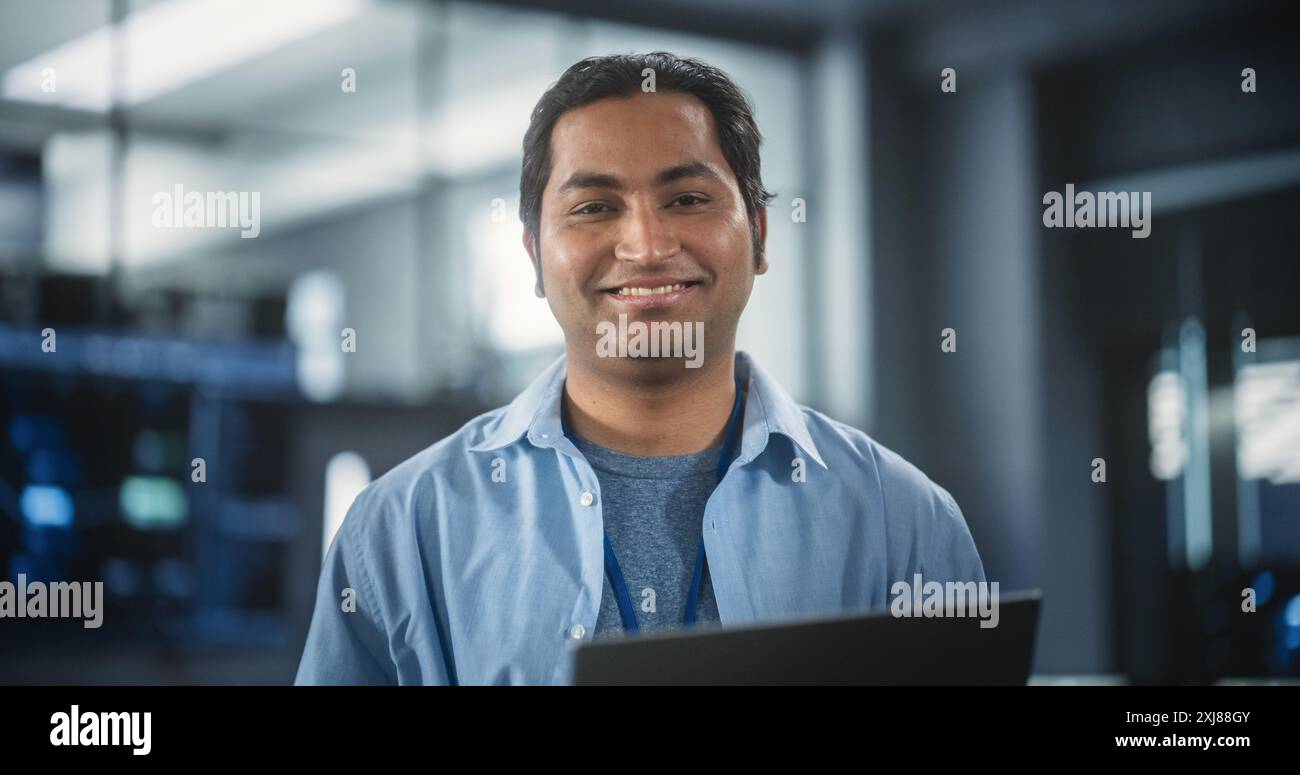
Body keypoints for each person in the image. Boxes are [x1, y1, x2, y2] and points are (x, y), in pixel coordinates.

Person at [296, 51, 985, 685]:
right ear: (535, 257)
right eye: (595, 207)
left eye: (687, 199)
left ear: (761, 235)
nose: (647, 246)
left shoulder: (904, 519)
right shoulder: (401, 529)